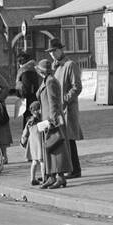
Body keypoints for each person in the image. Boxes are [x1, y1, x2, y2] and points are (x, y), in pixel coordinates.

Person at [49, 41, 84, 179]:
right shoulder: (56, 67)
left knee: (69, 139)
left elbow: (77, 87)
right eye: (50, 52)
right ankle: (70, 168)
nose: (52, 54)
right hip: (59, 110)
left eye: (54, 51)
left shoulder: (70, 65)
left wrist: (65, 99)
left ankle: (75, 169)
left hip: (68, 109)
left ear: (61, 50)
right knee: (64, 140)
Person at [37, 58, 71, 188]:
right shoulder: (46, 81)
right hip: (47, 120)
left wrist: (52, 120)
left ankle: (60, 177)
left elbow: (53, 103)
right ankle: (51, 176)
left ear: (42, 72)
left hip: (53, 120)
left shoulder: (50, 82)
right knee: (49, 148)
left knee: (57, 148)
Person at [21, 99, 45, 186]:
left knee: (34, 162)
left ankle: (32, 178)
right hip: (40, 144)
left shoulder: (29, 122)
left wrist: (23, 142)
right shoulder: (42, 120)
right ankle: (44, 178)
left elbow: (25, 133)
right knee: (42, 162)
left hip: (32, 145)